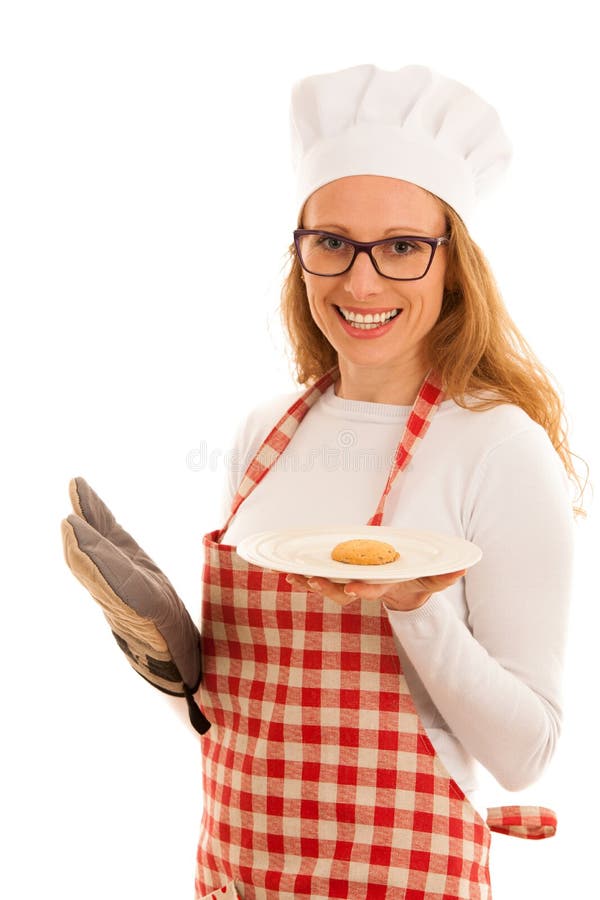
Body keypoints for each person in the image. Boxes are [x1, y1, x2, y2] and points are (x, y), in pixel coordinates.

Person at [62, 64, 582, 899]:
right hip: (237, 869)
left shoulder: (497, 448)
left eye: (403, 248)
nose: (362, 281)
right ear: (299, 251)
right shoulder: (264, 433)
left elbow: (527, 756)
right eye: (332, 242)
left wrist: (419, 612)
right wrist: (165, 653)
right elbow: (240, 719)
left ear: (455, 265)